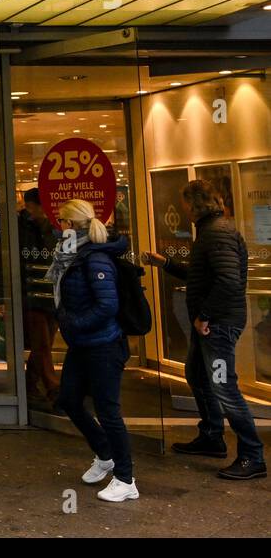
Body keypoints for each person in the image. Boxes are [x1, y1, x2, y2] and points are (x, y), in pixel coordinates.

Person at [143, 179, 265, 480]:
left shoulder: (217, 234)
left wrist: (205, 316)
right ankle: (211, 436)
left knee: (224, 386)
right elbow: (205, 276)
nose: (183, 209)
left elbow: (227, 281)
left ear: (194, 204)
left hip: (218, 325)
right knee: (196, 373)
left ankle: (252, 455)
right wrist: (167, 264)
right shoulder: (212, 232)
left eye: (185, 203)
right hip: (214, 323)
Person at [47, 199, 137, 502]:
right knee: (69, 400)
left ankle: (126, 479)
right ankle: (105, 454)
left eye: (61, 220)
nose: (59, 226)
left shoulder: (94, 258)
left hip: (103, 344)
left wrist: (73, 321)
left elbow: (107, 305)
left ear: (72, 225)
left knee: (108, 410)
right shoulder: (71, 255)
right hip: (82, 343)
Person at [18, 188, 59, 401]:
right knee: (42, 342)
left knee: (44, 342)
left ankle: (29, 383)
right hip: (30, 294)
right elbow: (5, 261)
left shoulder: (51, 227)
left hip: (51, 292)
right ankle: (53, 387)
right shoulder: (18, 227)